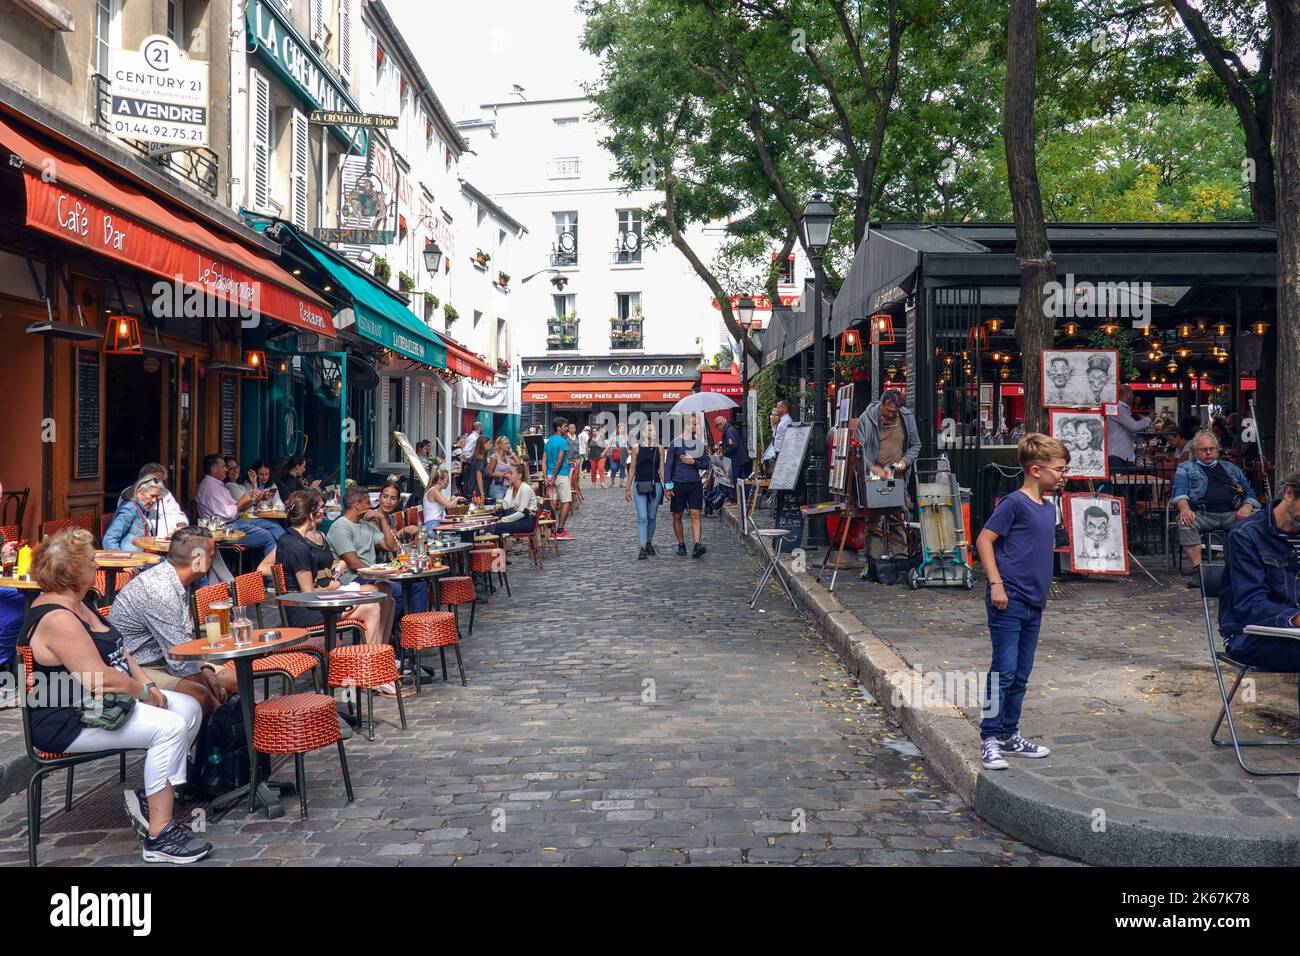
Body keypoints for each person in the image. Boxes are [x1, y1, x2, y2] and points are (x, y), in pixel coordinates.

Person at [19, 528, 209, 862]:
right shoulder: (57, 618)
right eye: (92, 561)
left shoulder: (81, 602)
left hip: (102, 705)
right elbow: (99, 678)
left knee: (190, 708)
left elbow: (121, 651)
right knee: (170, 727)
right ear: (75, 572)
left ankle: (152, 798)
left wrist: (146, 686)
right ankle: (159, 836)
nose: (97, 565)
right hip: (67, 718)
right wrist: (144, 694)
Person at [974, 433, 1069, 771]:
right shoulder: (1014, 503)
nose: (1063, 475)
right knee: (1004, 669)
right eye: (1059, 469)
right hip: (1008, 598)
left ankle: (1010, 733)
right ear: (1035, 469)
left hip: (1033, 601)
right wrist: (996, 583)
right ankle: (989, 737)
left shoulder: (1047, 506)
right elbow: (984, 540)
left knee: (1021, 672)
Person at [276, 490, 395, 691]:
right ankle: (367, 673)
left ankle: (377, 662)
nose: (324, 512)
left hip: (315, 602)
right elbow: (307, 594)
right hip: (304, 612)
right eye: (320, 509)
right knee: (371, 607)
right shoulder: (295, 545)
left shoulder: (297, 539)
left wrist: (334, 572)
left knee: (384, 597)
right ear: (311, 514)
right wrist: (331, 589)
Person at [109, 527, 237, 714]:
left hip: (167, 660)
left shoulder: (177, 581)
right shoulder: (160, 590)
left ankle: (233, 730)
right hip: (139, 667)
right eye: (211, 556)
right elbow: (179, 656)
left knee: (234, 680)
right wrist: (208, 683)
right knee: (203, 695)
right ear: (198, 560)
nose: (212, 561)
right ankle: (229, 736)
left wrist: (206, 669)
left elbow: (181, 644)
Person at [1218, 471, 1300, 677]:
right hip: (1250, 633)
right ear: (1289, 494)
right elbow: (1251, 604)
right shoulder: (1246, 535)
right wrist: (1296, 618)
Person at [1171, 431, 1260, 571]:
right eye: (1203, 449)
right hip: (1202, 514)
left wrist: (1247, 506)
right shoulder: (1186, 468)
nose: (1208, 453)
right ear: (1194, 451)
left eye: (1212, 449)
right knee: (1185, 522)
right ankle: (1198, 570)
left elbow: (1249, 492)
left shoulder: (1231, 468)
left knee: (1258, 519)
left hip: (1232, 513)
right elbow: (1179, 492)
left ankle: (1248, 567)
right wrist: (1185, 509)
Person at [327, 485, 403, 628]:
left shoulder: (365, 525)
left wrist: (382, 519)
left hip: (369, 575)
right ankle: (386, 632)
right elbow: (354, 563)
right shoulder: (340, 527)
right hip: (352, 579)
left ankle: (404, 633)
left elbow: (391, 546)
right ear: (357, 505)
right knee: (398, 592)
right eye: (368, 502)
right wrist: (379, 574)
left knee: (414, 585)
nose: (371, 506)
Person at [195, 454, 283, 576]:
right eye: (224, 466)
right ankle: (271, 580)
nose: (226, 469)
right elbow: (227, 513)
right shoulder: (211, 487)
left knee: (273, 527)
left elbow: (237, 509)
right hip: (225, 528)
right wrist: (243, 499)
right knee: (268, 537)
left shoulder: (217, 485)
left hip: (235, 522)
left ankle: (285, 552)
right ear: (214, 469)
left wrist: (252, 500)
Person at [853, 388, 921, 480]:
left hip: (897, 476)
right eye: (888, 410)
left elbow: (915, 445)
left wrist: (905, 461)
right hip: (872, 476)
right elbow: (857, 451)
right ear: (881, 404)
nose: (890, 415)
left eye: (894, 412)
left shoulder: (907, 417)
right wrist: (872, 467)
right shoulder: (865, 419)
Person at [665, 414, 709, 558]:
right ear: (686, 425)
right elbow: (668, 467)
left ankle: (697, 544)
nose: (697, 427)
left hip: (694, 484)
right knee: (677, 515)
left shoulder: (699, 444)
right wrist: (668, 486)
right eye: (695, 425)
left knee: (696, 514)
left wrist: (693, 462)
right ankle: (681, 544)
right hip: (678, 484)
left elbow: (706, 464)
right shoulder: (675, 443)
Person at [626, 421, 665, 559]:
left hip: (656, 485)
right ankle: (642, 547)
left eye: (653, 430)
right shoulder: (636, 448)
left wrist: (667, 487)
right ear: (643, 433)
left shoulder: (660, 448)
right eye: (649, 430)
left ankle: (649, 542)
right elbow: (632, 468)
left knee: (652, 517)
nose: (652, 432)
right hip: (639, 484)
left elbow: (662, 469)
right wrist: (627, 488)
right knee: (642, 517)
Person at [121, 463, 188, 536]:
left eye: (161, 481)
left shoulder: (166, 492)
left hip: (171, 537)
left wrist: (181, 525)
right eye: (156, 480)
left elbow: (176, 512)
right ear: (143, 479)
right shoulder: (131, 492)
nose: (159, 484)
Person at [102, 476, 164, 552]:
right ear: (139, 492)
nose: (154, 500)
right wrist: (122, 560)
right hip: (131, 561)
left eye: (157, 497)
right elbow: (109, 540)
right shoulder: (130, 509)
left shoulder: (142, 510)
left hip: (142, 558)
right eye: (152, 496)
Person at [1105, 385, 1150, 478]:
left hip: (1120, 453)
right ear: (1127, 393)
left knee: (1122, 484)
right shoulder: (1117, 407)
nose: (1133, 396)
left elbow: (1128, 431)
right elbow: (1133, 426)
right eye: (1132, 393)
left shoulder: (1119, 408)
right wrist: (1149, 418)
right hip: (1117, 453)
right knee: (1119, 485)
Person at [545, 418, 575, 540]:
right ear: (558, 428)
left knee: (553, 502)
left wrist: (547, 476)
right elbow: (560, 460)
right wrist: (555, 476)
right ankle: (560, 530)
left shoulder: (549, 441)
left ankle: (552, 531)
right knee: (566, 501)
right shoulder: (563, 441)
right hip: (560, 474)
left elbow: (544, 460)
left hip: (549, 475)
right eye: (565, 426)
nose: (566, 428)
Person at [717, 415, 751, 502]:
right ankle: (742, 497)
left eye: (716, 426)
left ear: (720, 424)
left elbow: (733, 446)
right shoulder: (729, 430)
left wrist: (723, 453)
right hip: (738, 459)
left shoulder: (729, 431)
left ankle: (736, 498)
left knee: (735, 479)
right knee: (740, 478)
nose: (717, 429)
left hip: (736, 459)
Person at [498, 464, 538, 535]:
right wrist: (509, 492)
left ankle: (491, 544)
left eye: (510, 473)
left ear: (519, 476)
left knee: (498, 527)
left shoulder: (525, 488)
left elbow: (521, 513)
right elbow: (506, 506)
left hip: (527, 522)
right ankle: (492, 544)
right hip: (518, 519)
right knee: (491, 526)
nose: (507, 475)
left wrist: (503, 520)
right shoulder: (511, 488)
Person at [609, 424, 630, 488]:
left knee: (622, 468)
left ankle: (621, 483)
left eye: (623, 428)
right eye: (620, 428)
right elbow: (609, 443)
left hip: (623, 453)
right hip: (615, 452)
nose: (621, 430)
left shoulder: (626, 436)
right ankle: (612, 481)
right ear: (617, 429)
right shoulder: (613, 435)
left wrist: (628, 451)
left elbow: (628, 445)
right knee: (613, 467)